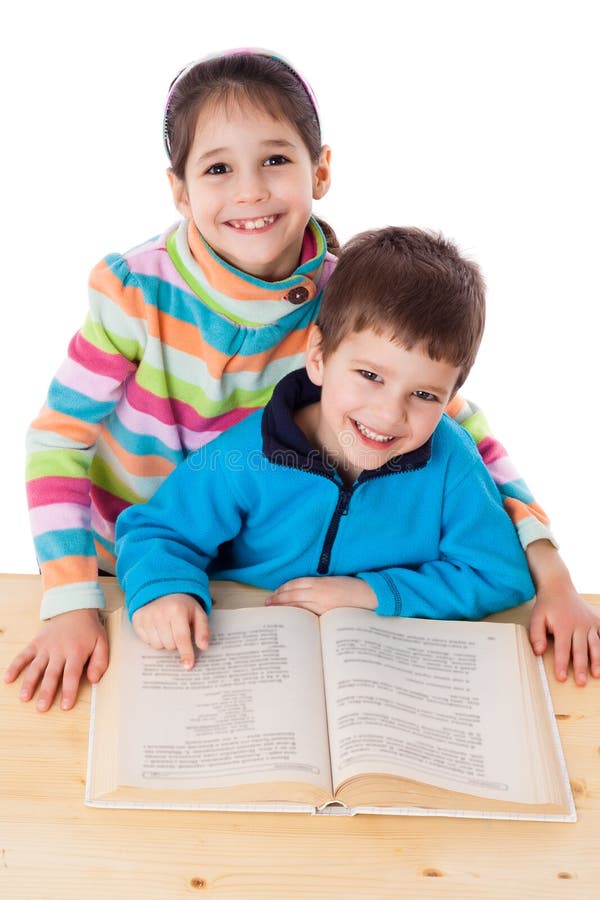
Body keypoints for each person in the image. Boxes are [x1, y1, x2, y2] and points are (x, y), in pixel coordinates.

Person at [6, 51, 598, 714]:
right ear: (179, 189)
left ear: (320, 170)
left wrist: (552, 574)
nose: (251, 191)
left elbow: (464, 433)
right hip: (137, 568)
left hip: (269, 583)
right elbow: (58, 441)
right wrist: (70, 600)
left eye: (276, 160)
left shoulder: (351, 297)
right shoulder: (135, 288)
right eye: (219, 168)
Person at [115, 226, 536, 657]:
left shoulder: (452, 465)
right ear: (318, 357)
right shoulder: (247, 455)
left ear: (450, 396)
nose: (390, 414)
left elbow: (501, 575)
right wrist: (165, 590)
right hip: (248, 646)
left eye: (425, 395)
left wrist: (369, 593)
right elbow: (156, 531)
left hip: (381, 661)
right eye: (370, 376)